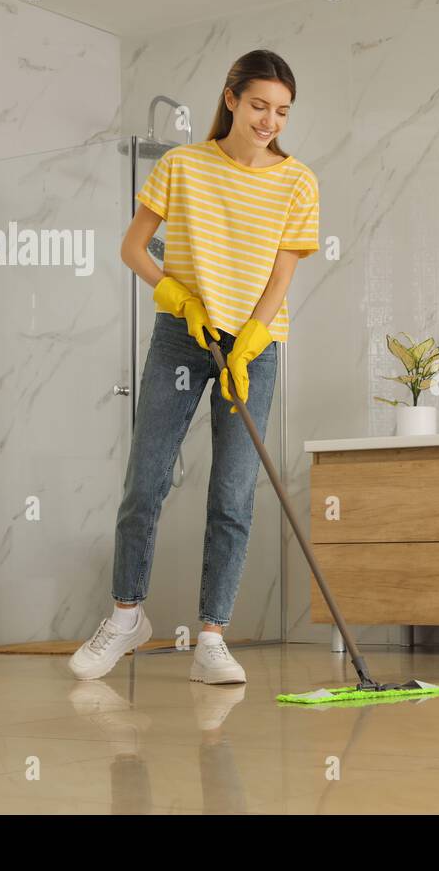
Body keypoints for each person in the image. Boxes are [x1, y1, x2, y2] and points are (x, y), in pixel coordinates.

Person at [70, 49, 320, 684]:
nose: (270, 121)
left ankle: (213, 636)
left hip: (254, 349)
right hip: (183, 337)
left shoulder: (298, 181)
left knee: (233, 491)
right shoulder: (182, 165)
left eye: (282, 111)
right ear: (231, 98)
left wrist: (252, 338)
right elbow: (133, 246)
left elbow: (283, 271)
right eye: (260, 105)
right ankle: (126, 617)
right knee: (145, 479)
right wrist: (174, 293)